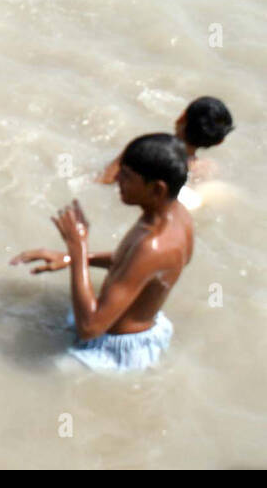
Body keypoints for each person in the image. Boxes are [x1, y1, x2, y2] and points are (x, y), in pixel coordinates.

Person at [11, 134, 194, 371]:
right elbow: (134, 265)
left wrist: (77, 250)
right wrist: (71, 259)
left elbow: (90, 328)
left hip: (115, 350)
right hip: (132, 325)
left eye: (126, 176)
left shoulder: (153, 246)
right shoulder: (177, 216)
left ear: (157, 189)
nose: (116, 179)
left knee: (32, 370)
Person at [99, 97, 234, 209]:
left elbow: (105, 180)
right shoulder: (208, 169)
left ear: (181, 118)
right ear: (219, 142)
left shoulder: (147, 149)